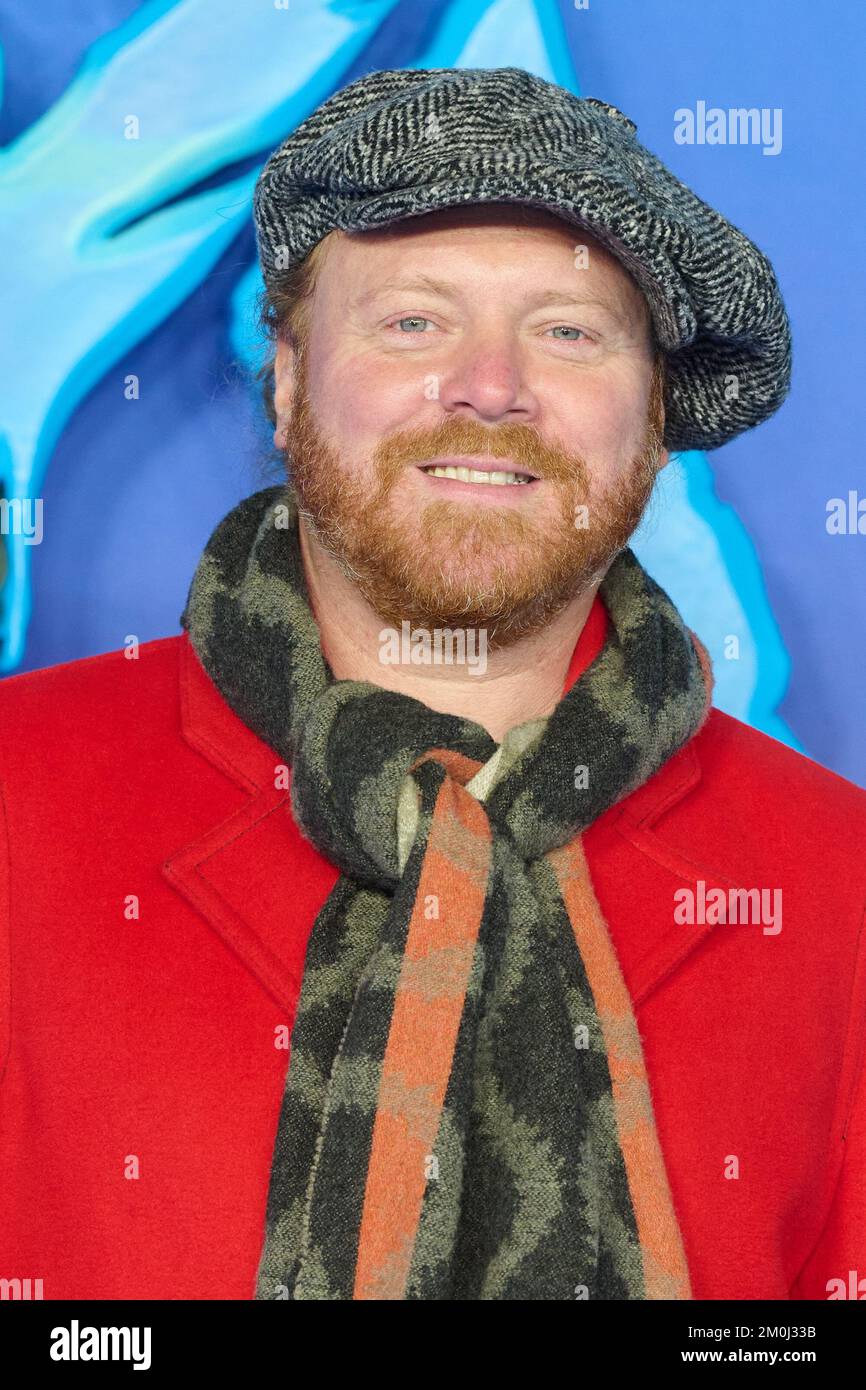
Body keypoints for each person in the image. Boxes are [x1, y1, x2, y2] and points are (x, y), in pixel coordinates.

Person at [0, 66, 863, 1302]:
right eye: (412, 320)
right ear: (289, 380)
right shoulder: (16, 801)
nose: (490, 386)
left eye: (567, 332)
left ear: (654, 416)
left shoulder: (836, 884)